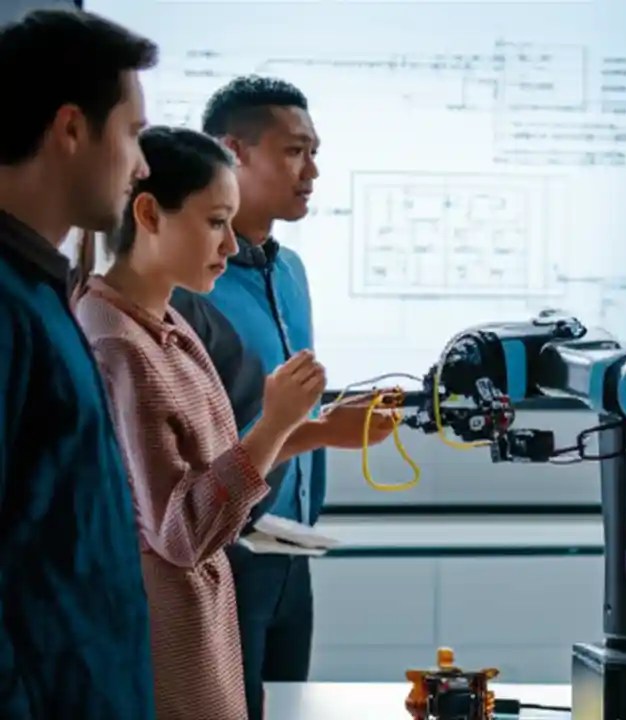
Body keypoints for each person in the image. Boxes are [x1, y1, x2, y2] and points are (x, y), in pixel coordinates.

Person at [74, 126, 330, 719]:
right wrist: (273, 424)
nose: (232, 247)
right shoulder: (119, 345)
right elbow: (185, 533)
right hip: (165, 647)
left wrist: (298, 428)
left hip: (200, 626)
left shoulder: (163, 321)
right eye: (216, 223)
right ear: (148, 213)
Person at [166, 74, 391, 720]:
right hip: (220, 556)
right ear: (232, 151)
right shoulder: (188, 286)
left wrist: (331, 426)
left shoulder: (290, 270)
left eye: (314, 150)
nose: (313, 171)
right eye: (294, 151)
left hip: (291, 552)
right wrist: (317, 431)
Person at [0, 9, 158, 717]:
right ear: (70, 129)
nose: (142, 165)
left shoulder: (39, 291)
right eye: (132, 134)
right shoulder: (7, 306)